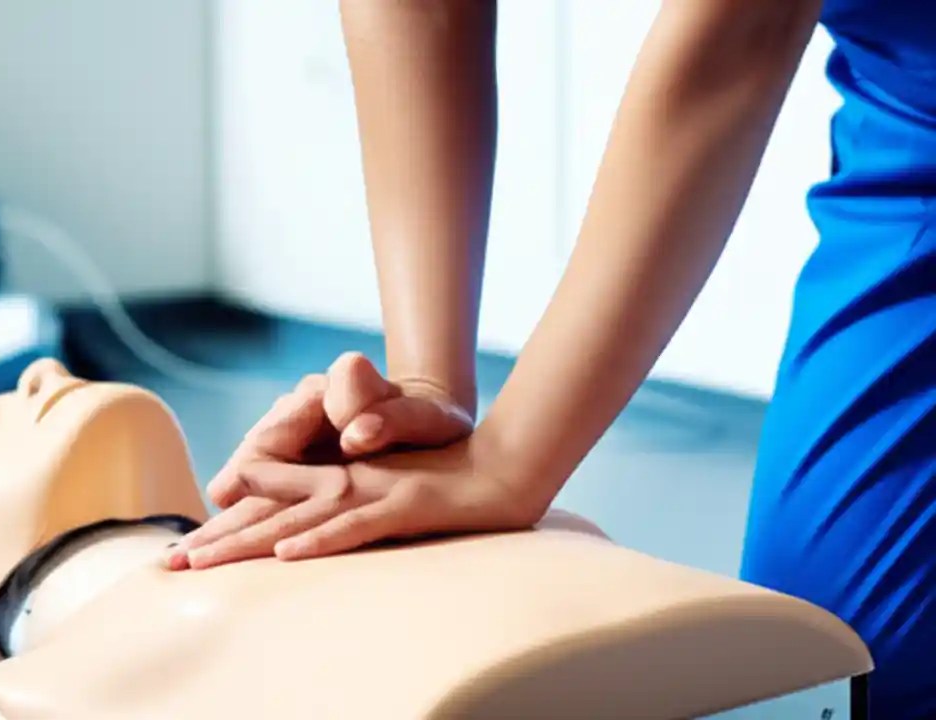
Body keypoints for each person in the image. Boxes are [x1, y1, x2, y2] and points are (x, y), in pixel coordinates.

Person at [164, 1, 936, 716]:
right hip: (912, 119)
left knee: (838, 668)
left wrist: (508, 465)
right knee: (835, 672)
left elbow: (739, 34)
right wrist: (430, 392)